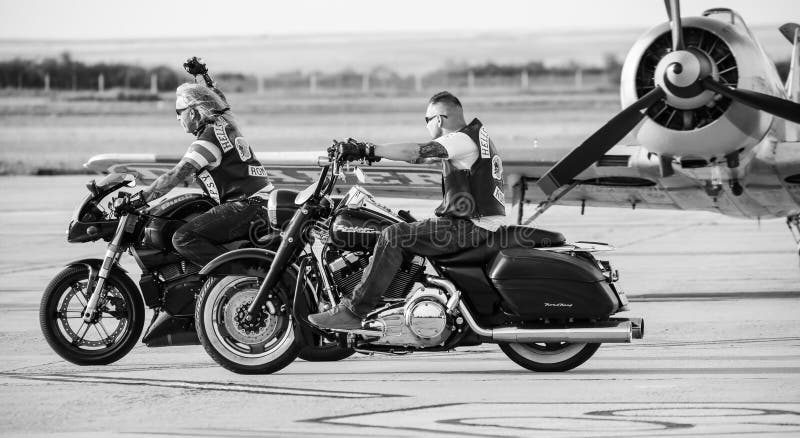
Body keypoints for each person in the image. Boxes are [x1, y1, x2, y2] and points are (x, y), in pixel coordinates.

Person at [308, 91, 507, 329]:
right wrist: (372, 155)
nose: (426, 126)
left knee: (393, 235)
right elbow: (418, 157)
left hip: (467, 227)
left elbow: (415, 152)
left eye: (427, 120)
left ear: (439, 119)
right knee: (403, 227)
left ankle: (354, 311)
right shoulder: (474, 137)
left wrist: (367, 149)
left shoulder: (460, 140)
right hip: (474, 224)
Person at [140, 58, 274, 267]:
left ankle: (236, 280)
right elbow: (218, 101)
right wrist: (203, 77)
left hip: (245, 206)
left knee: (183, 238)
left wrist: (140, 198)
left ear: (192, 112)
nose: (177, 118)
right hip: (260, 204)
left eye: (178, 112)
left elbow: (174, 175)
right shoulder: (224, 123)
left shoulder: (207, 141)